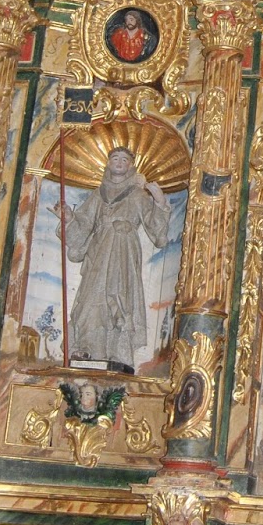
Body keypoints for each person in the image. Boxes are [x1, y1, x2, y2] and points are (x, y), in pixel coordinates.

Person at [59, 148, 171, 371]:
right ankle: (87, 348)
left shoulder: (137, 195)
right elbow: (84, 223)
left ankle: (118, 353)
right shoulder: (98, 193)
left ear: (131, 166)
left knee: (121, 297)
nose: (119, 163)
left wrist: (159, 201)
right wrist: (70, 218)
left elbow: (156, 231)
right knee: (90, 297)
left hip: (123, 250)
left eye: (124, 160)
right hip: (99, 252)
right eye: (115, 159)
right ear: (108, 164)